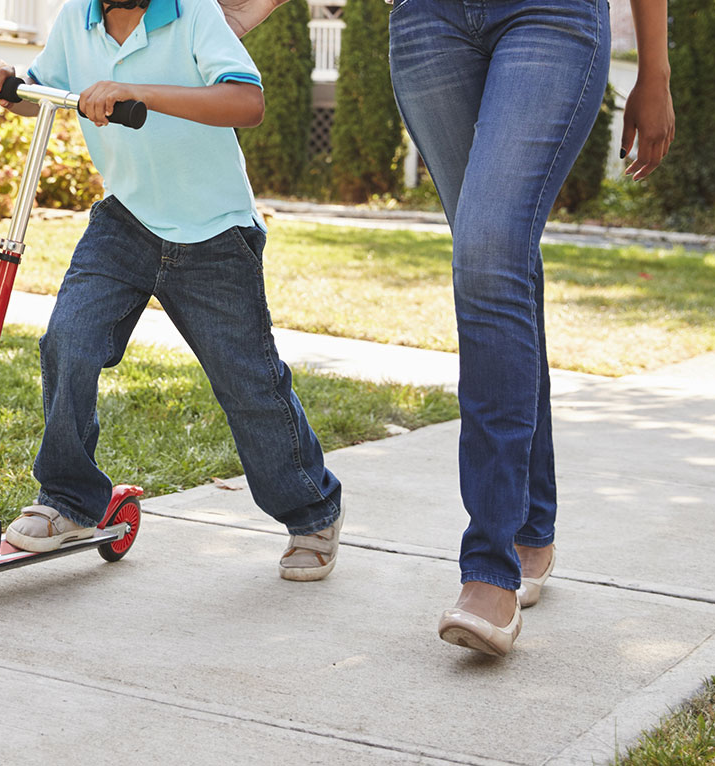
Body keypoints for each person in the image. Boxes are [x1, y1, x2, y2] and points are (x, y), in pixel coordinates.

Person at [217, 0, 675, 654]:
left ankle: (490, 567)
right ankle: (529, 529)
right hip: (429, 22)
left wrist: (654, 71)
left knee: (490, 254)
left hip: (549, 15)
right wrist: (233, 14)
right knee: (499, 266)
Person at [0, 0, 348, 582]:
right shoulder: (79, 19)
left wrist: (134, 90)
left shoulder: (193, 13)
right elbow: (37, 92)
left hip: (216, 232)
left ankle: (312, 511)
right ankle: (69, 500)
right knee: (68, 341)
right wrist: (2, 82)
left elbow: (248, 102)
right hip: (126, 222)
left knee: (249, 383)